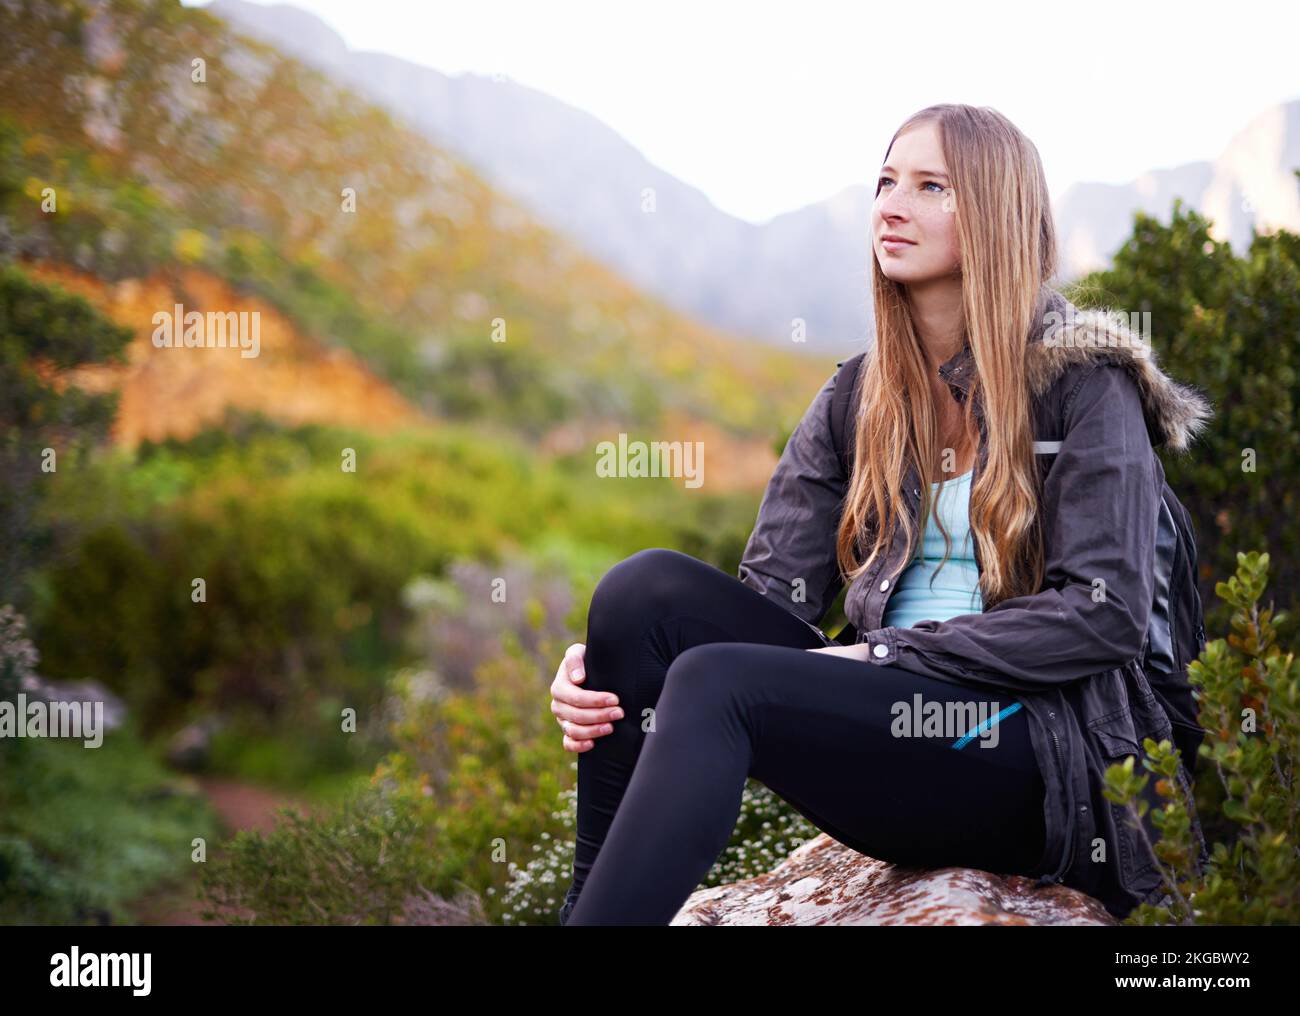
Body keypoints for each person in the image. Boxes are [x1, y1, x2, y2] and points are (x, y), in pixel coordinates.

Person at [549, 104, 1213, 926]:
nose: (891, 206)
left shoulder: (1089, 384)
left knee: (718, 682)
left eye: (931, 186)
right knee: (641, 594)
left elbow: (1100, 617)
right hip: (893, 724)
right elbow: (769, 602)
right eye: (887, 181)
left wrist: (889, 653)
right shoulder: (858, 396)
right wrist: (615, 664)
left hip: (1039, 755)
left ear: (998, 213)